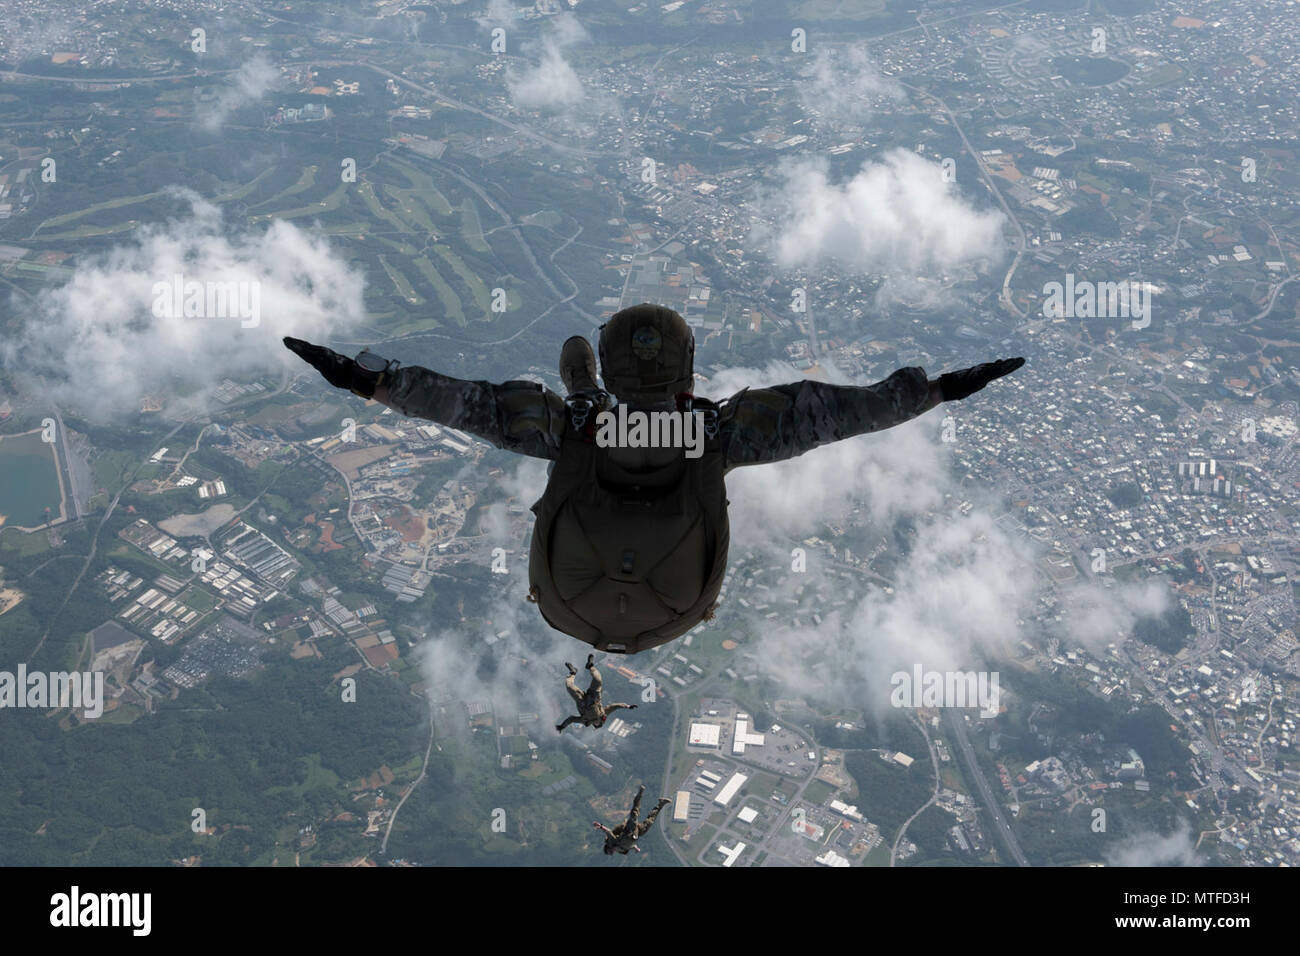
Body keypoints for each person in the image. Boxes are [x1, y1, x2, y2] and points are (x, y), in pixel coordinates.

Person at [285, 303, 1024, 654]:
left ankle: (579, 386)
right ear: (688, 367)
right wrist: (938, 390)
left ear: (611, 365)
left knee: (558, 417)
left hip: (566, 599)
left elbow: (458, 404)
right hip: (673, 606)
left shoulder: (572, 429)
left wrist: (363, 378)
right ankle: (585, 386)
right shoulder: (722, 432)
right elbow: (845, 414)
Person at [556, 653, 637, 732]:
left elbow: (571, 719)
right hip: (594, 697)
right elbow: (615, 706)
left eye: (597, 724)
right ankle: (590, 666)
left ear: (594, 725)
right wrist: (627, 706)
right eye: (600, 723)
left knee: (569, 686)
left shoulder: (585, 721)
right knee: (598, 680)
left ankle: (572, 672)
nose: (598, 722)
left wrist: (562, 726)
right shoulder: (603, 714)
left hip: (582, 701)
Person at [593, 784, 670, 855]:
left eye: (610, 851)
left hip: (629, 829)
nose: (612, 852)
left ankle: (640, 793)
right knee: (650, 821)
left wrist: (600, 826)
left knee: (635, 811)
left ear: (608, 847)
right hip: (637, 833)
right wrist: (635, 848)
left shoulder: (612, 842)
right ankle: (661, 804)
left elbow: (608, 832)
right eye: (611, 853)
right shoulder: (621, 850)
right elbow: (629, 846)